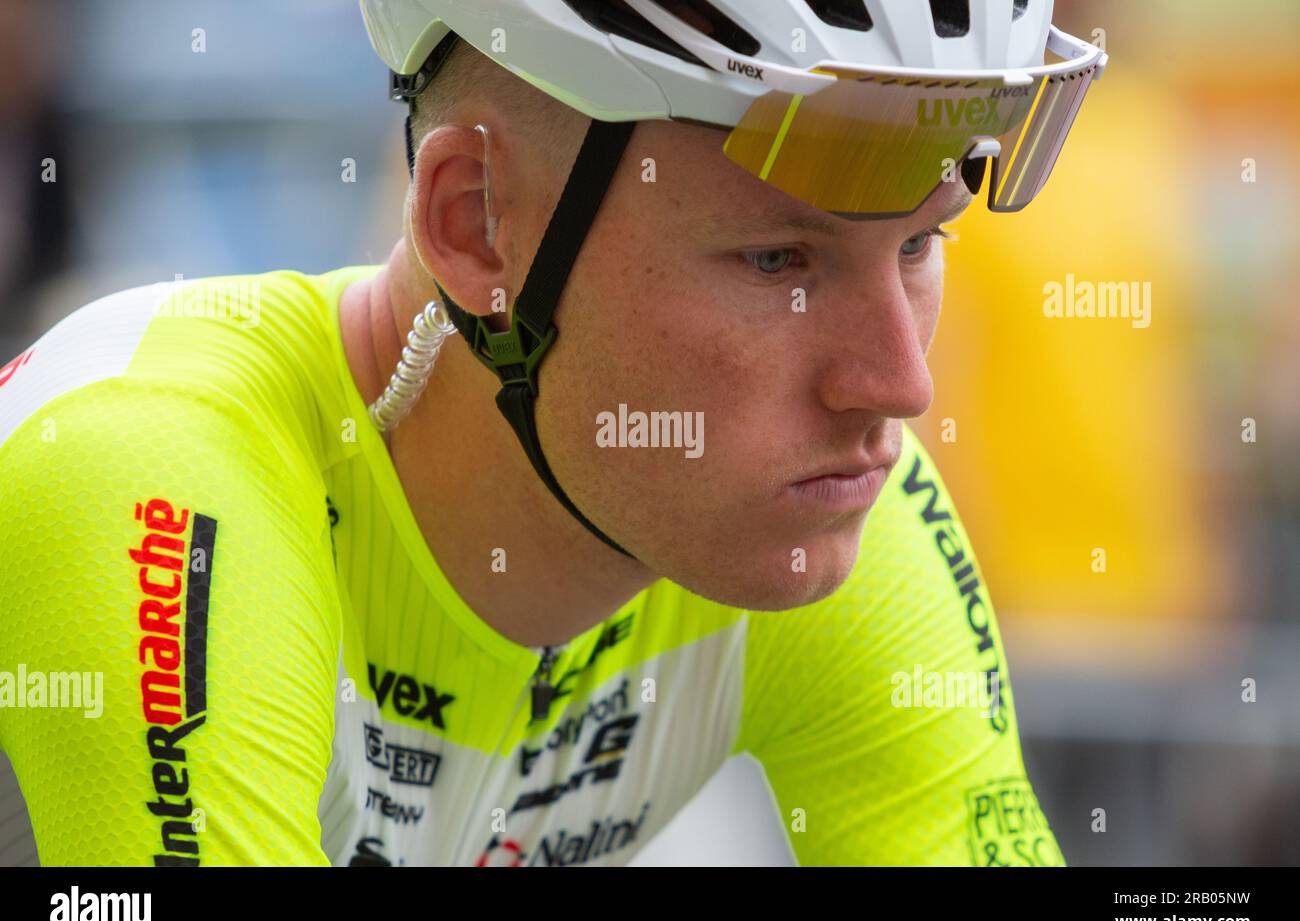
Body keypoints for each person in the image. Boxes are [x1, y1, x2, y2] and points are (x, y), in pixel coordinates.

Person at [0, 0, 1105, 866]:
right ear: (474, 222)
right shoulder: (152, 474)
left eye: (919, 246)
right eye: (779, 261)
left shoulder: (817, 508)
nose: (898, 386)